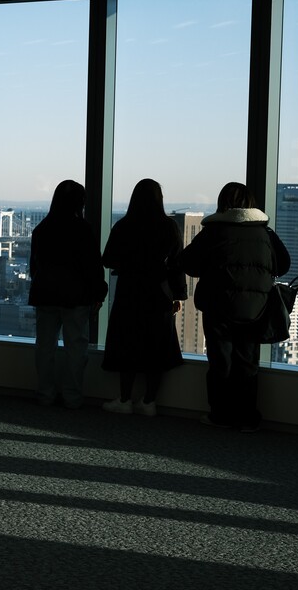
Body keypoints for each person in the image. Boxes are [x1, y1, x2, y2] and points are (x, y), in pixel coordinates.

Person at [179, 182, 290, 432]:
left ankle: (221, 415)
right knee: (248, 362)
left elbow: (189, 263)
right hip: (256, 308)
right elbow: (283, 264)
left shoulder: (213, 231)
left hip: (218, 306)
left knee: (221, 361)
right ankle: (247, 417)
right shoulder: (266, 233)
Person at [100, 178, 186, 416]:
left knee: (126, 342)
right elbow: (177, 264)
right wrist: (178, 295)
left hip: (130, 291)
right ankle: (149, 401)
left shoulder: (124, 225)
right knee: (156, 345)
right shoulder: (169, 227)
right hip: (160, 293)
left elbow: (108, 259)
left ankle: (125, 399)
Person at [28, 180, 107, 408]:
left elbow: (35, 266)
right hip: (76, 297)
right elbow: (93, 266)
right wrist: (98, 294)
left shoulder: (41, 229)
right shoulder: (82, 230)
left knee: (44, 346)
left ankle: (45, 394)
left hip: (45, 294)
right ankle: (72, 397)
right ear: (80, 202)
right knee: (75, 347)